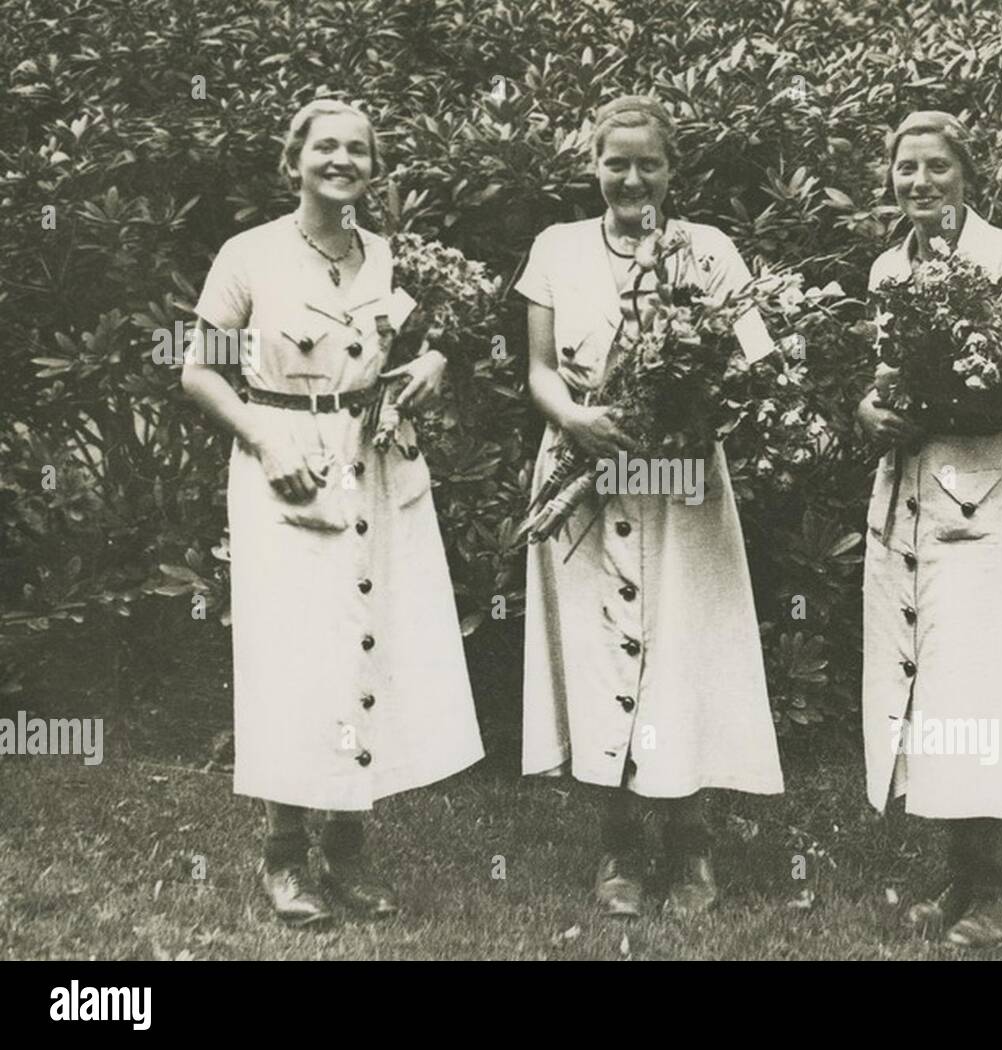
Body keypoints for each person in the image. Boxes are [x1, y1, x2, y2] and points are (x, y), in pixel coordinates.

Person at [181, 99, 483, 927]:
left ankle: (347, 858)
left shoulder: (388, 255)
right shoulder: (250, 255)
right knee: (295, 659)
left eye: (357, 149)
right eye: (326, 147)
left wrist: (434, 362)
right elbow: (199, 374)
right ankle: (284, 859)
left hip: (377, 463)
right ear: (296, 160)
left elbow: (432, 334)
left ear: (372, 168)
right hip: (285, 463)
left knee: (367, 646)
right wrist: (267, 443)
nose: (341, 159)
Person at [515, 95, 784, 920]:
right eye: (615, 163)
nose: (631, 179)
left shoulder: (708, 251)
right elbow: (538, 370)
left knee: (682, 650)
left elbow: (757, 359)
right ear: (592, 165)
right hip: (583, 466)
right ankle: (621, 846)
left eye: (649, 164)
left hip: (681, 484)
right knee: (601, 653)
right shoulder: (556, 248)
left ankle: (692, 844)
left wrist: (708, 407)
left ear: (674, 169)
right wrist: (576, 419)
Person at [856, 110, 1002, 947]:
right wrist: (869, 408)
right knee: (935, 685)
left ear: (966, 176)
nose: (920, 184)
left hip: (986, 498)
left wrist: (941, 406)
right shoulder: (887, 268)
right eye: (906, 169)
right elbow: (881, 376)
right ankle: (960, 874)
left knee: (987, 680)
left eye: (936, 168)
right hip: (912, 495)